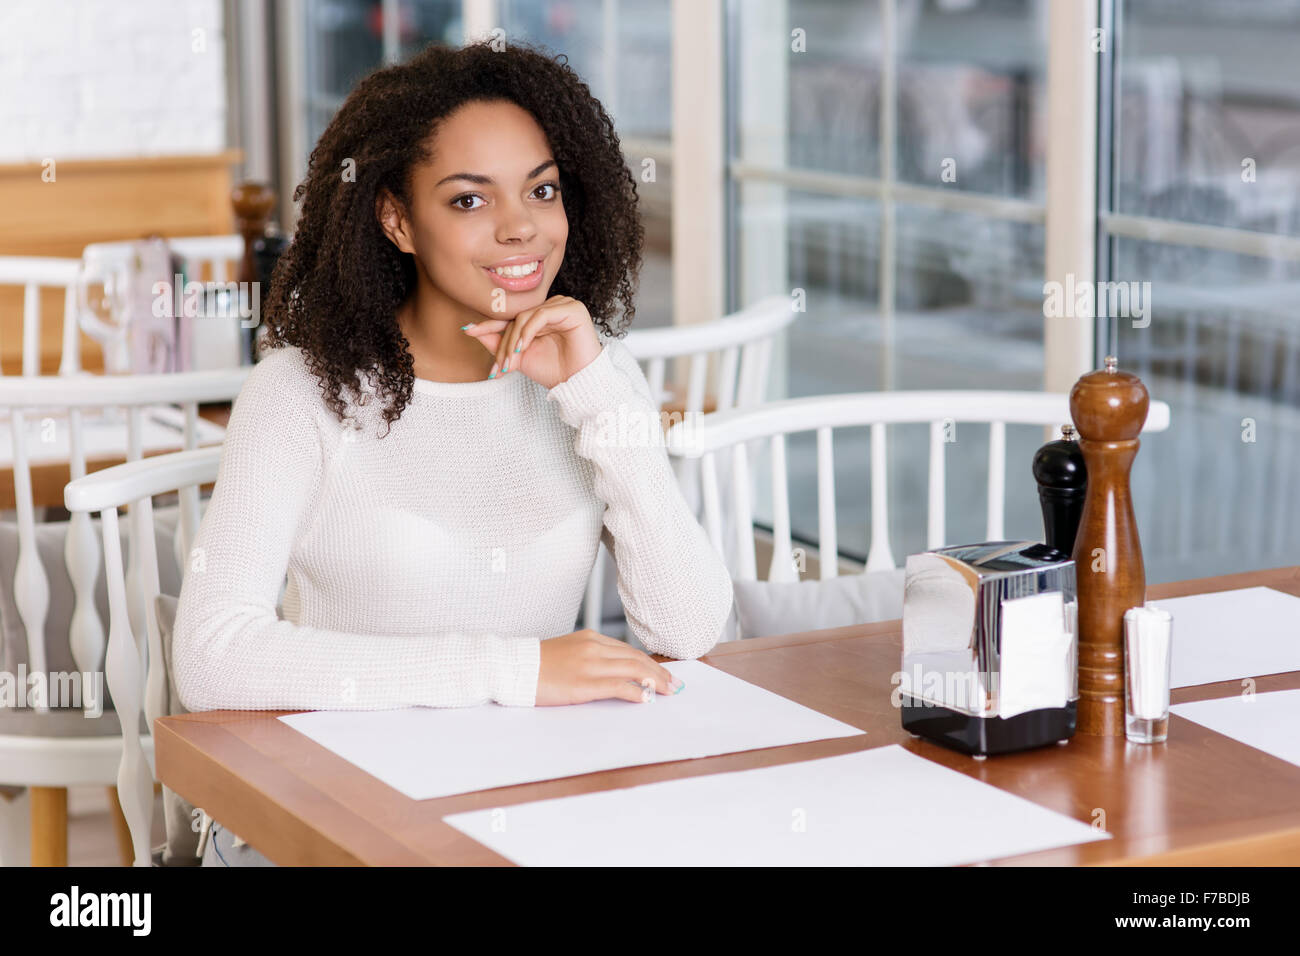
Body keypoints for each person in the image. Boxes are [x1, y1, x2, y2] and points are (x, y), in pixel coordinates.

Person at [174, 39, 735, 866]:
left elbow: (689, 630)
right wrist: (518, 670)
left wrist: (594, 394)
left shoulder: (599, 374)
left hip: (525, 797)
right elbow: (212, 659)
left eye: (541, 189)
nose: (521, 228)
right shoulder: (302, 392)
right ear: (396, 219)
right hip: (331, 810)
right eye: (469, 201)